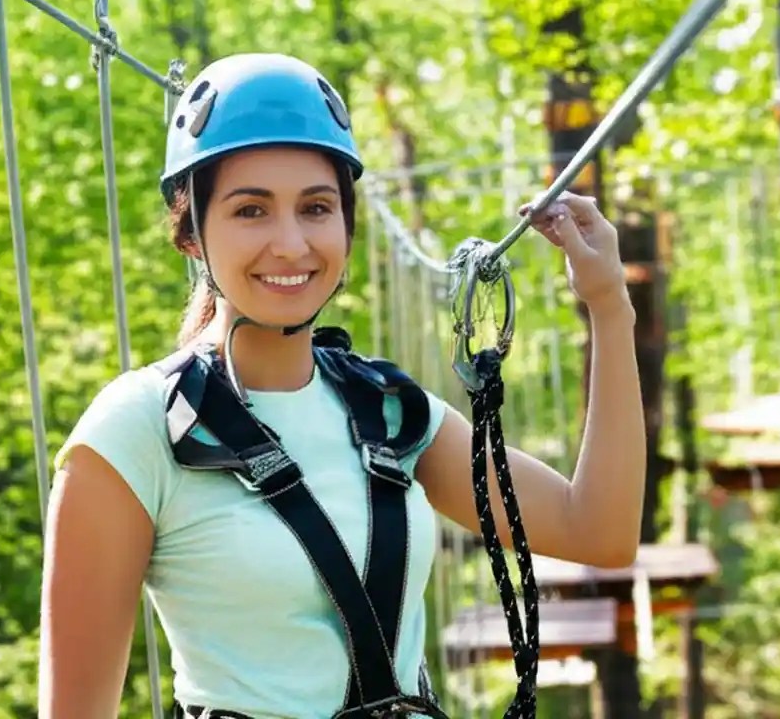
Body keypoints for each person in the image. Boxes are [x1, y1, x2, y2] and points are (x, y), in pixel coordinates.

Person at [38, 52, 646, 719]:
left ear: (346, 227)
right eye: (250, 211)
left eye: (317, 207)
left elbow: (598, 531)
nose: (292, 243)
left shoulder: (387, 410)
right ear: (191, 235)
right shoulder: (140, 429)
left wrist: (609, 307)